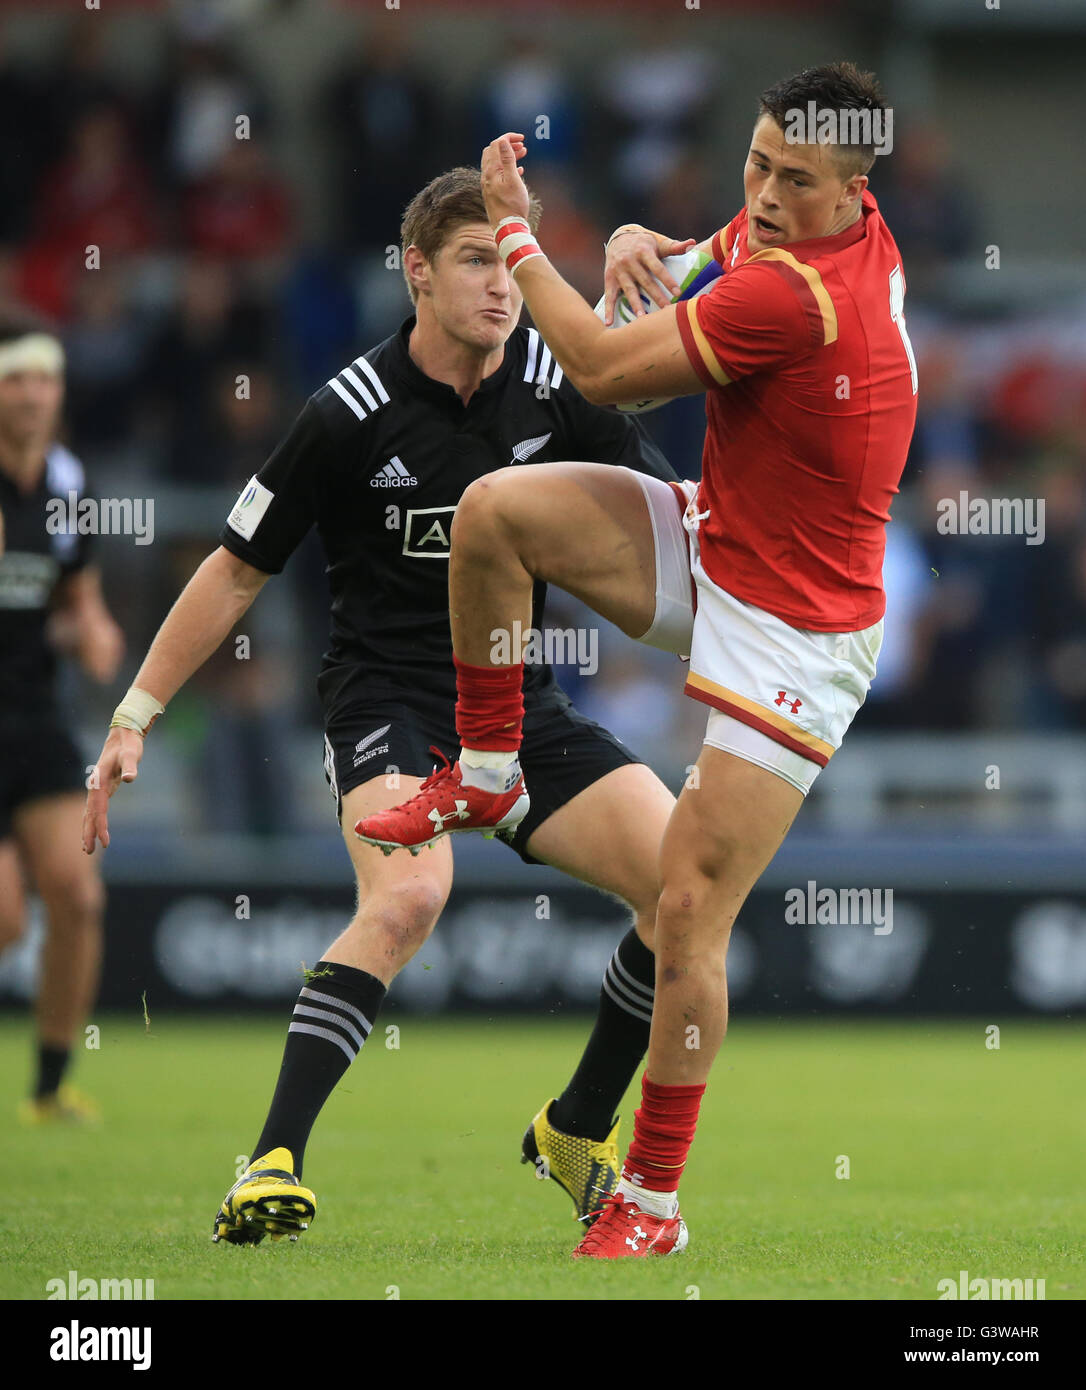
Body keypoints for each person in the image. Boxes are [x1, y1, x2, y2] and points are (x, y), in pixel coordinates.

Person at [358, 62, 920, 1259]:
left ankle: (651, 1204)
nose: (764, 193)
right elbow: (693, 260)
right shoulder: (824, 227)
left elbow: (604, 369)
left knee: (685, 908)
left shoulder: (806, 298)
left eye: (794, 180)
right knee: (496, 514)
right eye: (759, 161)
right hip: (725, 535)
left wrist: (519, 229)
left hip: (799, 629)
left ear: (851, 193)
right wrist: (629, 245)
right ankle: (496, 762)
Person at [83, 166, 691, 1245]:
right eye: (474, 259)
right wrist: (134, 713)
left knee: (686, 885)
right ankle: (269, 1159)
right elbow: (235, 568)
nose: (504, 285)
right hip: (388, 700)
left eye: (515, 259)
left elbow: (659, 529)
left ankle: (576, 1125)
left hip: (518, 699)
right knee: (412, 899)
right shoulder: (347, 412)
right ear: (416, 273)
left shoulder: (559, 384)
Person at [0, 319, 124, 1123]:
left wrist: (96, 635)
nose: (35, 394)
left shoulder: (68, 483)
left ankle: (48, 1088)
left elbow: (85, 607)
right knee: (6, 919)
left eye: (46, 379)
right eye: (17, 380)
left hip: (33, 713)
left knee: (76, 899)